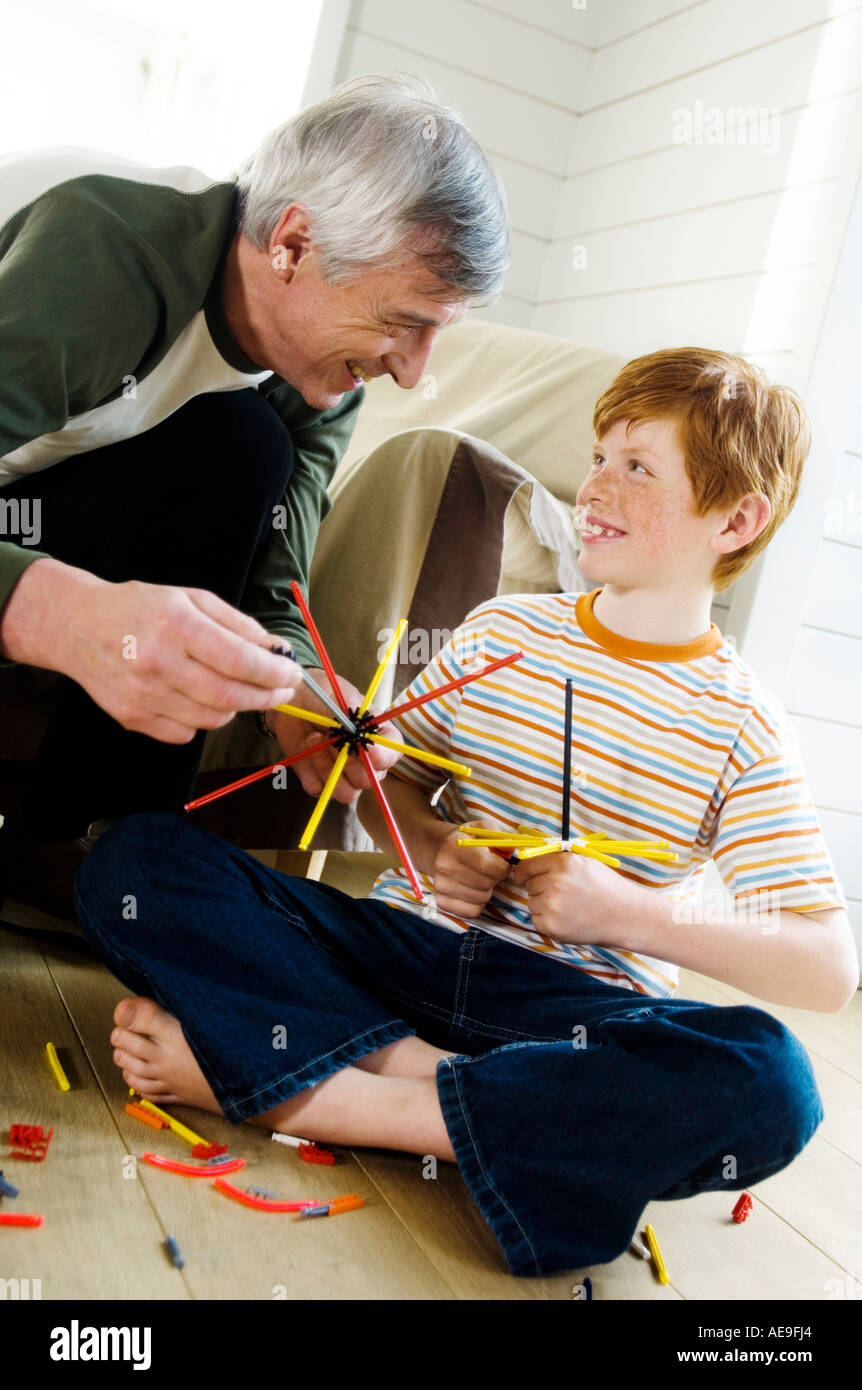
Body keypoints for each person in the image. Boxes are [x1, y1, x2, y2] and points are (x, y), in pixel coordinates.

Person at [74, 348, 857, 1277]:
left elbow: (824, 968)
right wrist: (428, 834)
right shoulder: (502, 631)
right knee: (137, 862)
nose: (597, 485)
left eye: (638, 466)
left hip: (572, 1014)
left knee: (773, 1081)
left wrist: (624, 914)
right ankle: (435, 1081)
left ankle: (336, 1095)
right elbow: (404, 785)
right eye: (599, 455)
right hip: (406, 955)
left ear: (737, 518)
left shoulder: (742, 723)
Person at [0, 71, 508, 922]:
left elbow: (274, 582)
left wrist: (296, 688)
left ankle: (101, 848)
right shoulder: (106, 256)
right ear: (294, 244)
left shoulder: (316, 381)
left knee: (240, 442)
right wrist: (61, 612)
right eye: (405, 322)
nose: (413, 374)